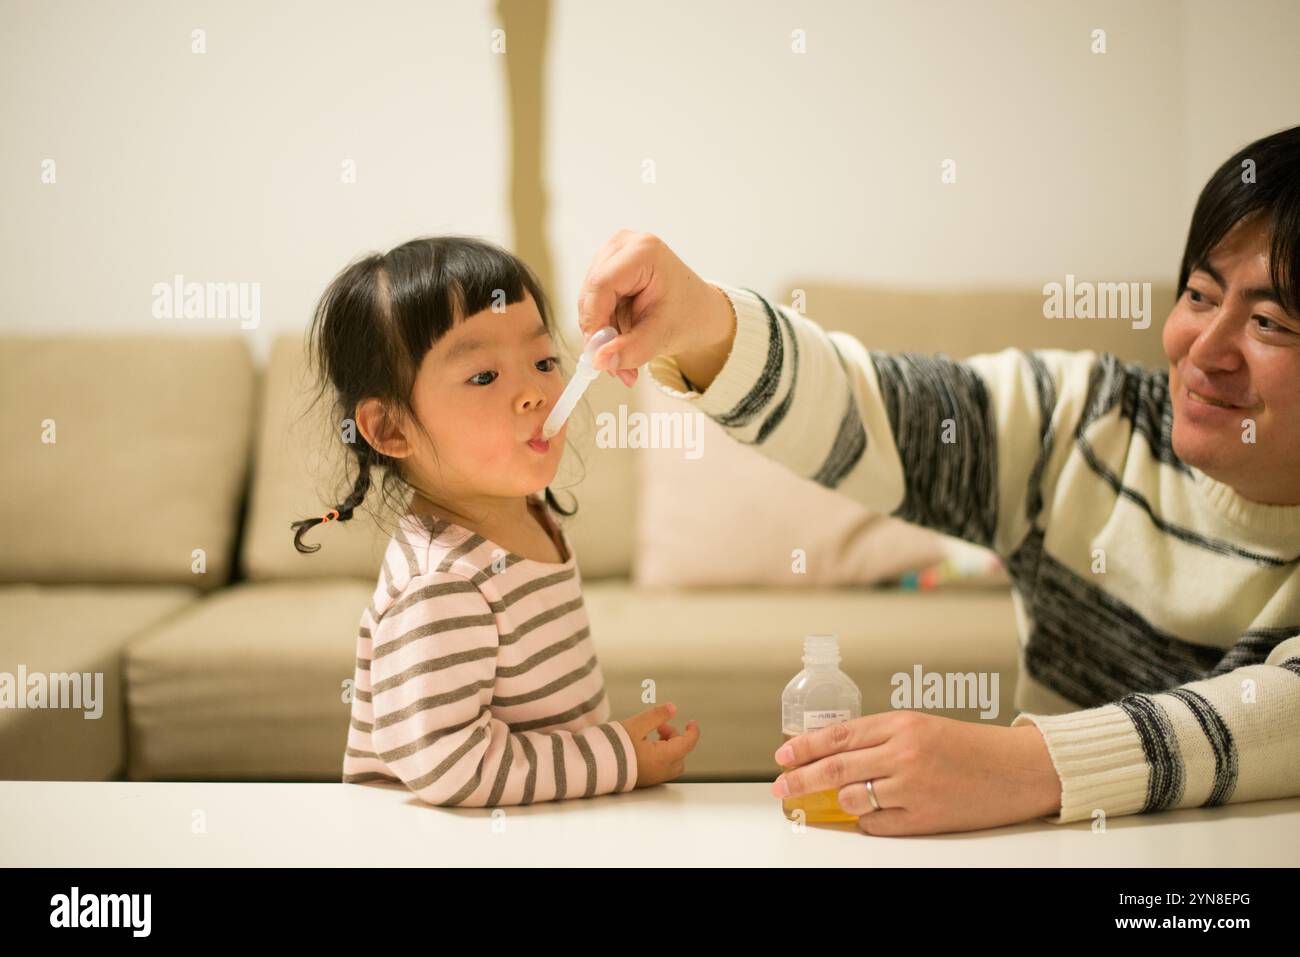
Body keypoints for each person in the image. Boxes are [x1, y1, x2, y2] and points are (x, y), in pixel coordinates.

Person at [576, 125, 1300, 836]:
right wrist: (704, 322)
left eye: (1267, 321)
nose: (1205, 350)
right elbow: (877, 412)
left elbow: (1278, 714)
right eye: (1200, 296)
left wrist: (1021, 765)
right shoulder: (1084, 419)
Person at [291, 236, 699, 807]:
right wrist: (616, 758)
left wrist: (606, 755)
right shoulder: (443, 585)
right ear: (389, 430)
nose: (534, 391)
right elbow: (452, 769)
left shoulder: (529, 513)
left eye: (543, 361)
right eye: (484, 377)